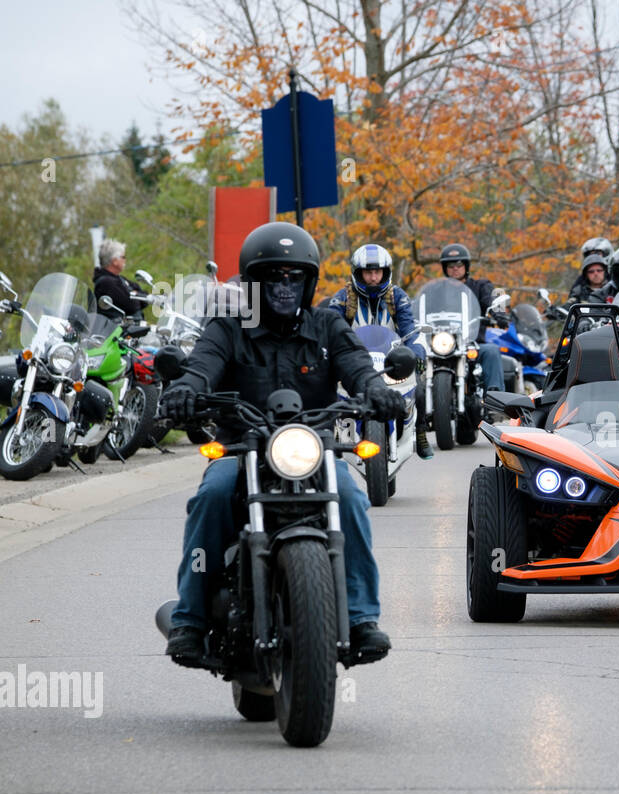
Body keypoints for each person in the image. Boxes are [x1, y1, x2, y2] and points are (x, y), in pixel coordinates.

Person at [159, 222, 407, 668]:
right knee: (212, 496)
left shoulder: (327, 324)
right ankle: (190, 619)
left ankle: (361, 617)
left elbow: (356, 366)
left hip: (311, 447)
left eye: (295, 277)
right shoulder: (230, 326)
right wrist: (185, 389)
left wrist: (377, 388)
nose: (285, 287)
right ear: (255, 282)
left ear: (309, 282)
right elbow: (202, 365)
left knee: (351, 498)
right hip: (241, 446)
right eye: (274, 276)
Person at [324, 243, 433, 459]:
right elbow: (331, 327)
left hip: (391, 360)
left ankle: (420, 433)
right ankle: (327, 438)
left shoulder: (397, 296)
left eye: (377, 272)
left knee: (418, 384)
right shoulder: (343, 297)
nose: (373, 278)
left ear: (385, 272)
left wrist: (416, 354)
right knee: (325, 389)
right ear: (358, 273)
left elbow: (409, 329)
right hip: (354, 362)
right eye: (368, 272)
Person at [438, 242, 504, 392]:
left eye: (459, 264)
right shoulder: (437, 290)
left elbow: (492, 300)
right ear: (445, 268)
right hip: (443, 346)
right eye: (450, 265)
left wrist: (498, 314)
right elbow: (421, 306)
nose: (455, 268)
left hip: (473, 344)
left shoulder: (480, 286)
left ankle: (495, 403)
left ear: (466, 266)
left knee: (492, 351)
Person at [92, 239, 146, 319]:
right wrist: (134, 294)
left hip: (131, 328)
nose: (125, 260)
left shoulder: (120, 278)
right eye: (123, 257)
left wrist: (134, 294)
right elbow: (132, 305)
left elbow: (145, 298)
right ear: (114, 261)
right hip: (117, 329)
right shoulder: (106, 282)